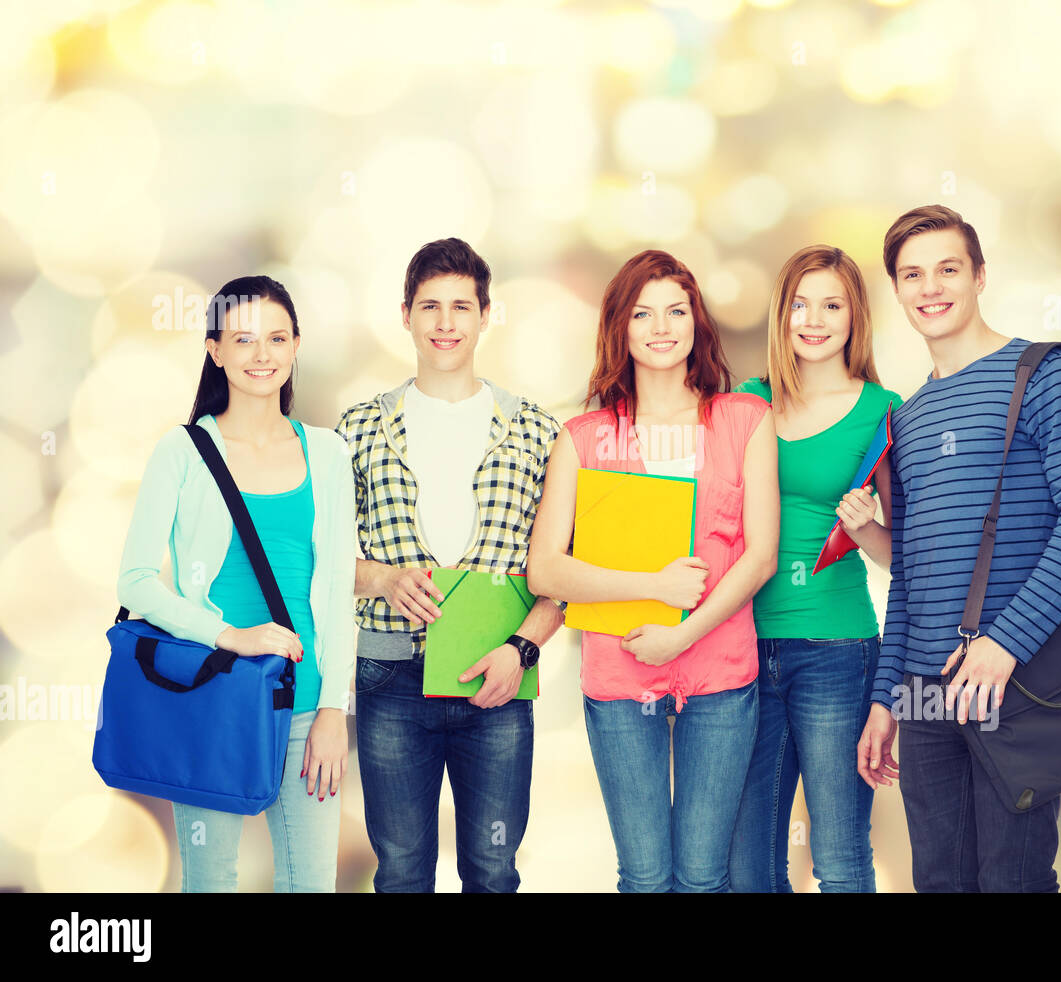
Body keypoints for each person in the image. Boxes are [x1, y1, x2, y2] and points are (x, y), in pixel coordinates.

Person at [859, 205, 1061, 891]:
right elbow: (909, 577)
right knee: (939, 881)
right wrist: (889, 697)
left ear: (979, 276)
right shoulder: (906, 419)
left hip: (1019, 680)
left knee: (1015, 880)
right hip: (924, 698)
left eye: (947, 269)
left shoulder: (1045, 373)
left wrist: (1004, 644)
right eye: (912, 274)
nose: (930, 287)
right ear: (896, 290)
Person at [527, 249, 780, 893]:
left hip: (720, 669)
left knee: (701, 876)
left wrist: (681, 632)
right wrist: (652, 589)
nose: (662, 327)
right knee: (643, 877)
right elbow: (545, 572)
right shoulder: (583, 437)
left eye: (676, 310)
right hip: (618, 673)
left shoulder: (745, 420)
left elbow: (761, 557)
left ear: (697, 322)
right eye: (643, 313)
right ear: (620, 327)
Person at [336, 237, 565, 893]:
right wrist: (381, 578)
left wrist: (520, 652)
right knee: (403, 872)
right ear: (404, 314)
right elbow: (321, 563)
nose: (444, 323)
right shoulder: (356, 430)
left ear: (486, 315)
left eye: (461, 307)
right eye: (429, 306)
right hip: (390, 678)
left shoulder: (538, 432)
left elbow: (560, 576)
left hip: (495, 678)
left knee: (492, 872)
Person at [117, 275, 356, 892]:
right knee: (212, 881)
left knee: (310, 885)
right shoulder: (183, 451)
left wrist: (334, 709)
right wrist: (230, 636)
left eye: (277, 338)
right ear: (215, 349)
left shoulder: (328, 453)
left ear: (297, 345)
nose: (262, 355)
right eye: (244, 339)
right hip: (214, 696)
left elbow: (335, 589)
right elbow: (137, 582)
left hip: (306, 707)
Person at [729, 245, 901, 893]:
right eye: (800, 304)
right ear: (781, 313)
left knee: (839, 857)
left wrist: (865, 528)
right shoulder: (748, 402)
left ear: (855, 316)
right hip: (743, 648)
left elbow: (899, 557)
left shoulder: (882, 409)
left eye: (831, 305)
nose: (814, 319)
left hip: (838, 651)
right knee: (751, 864)